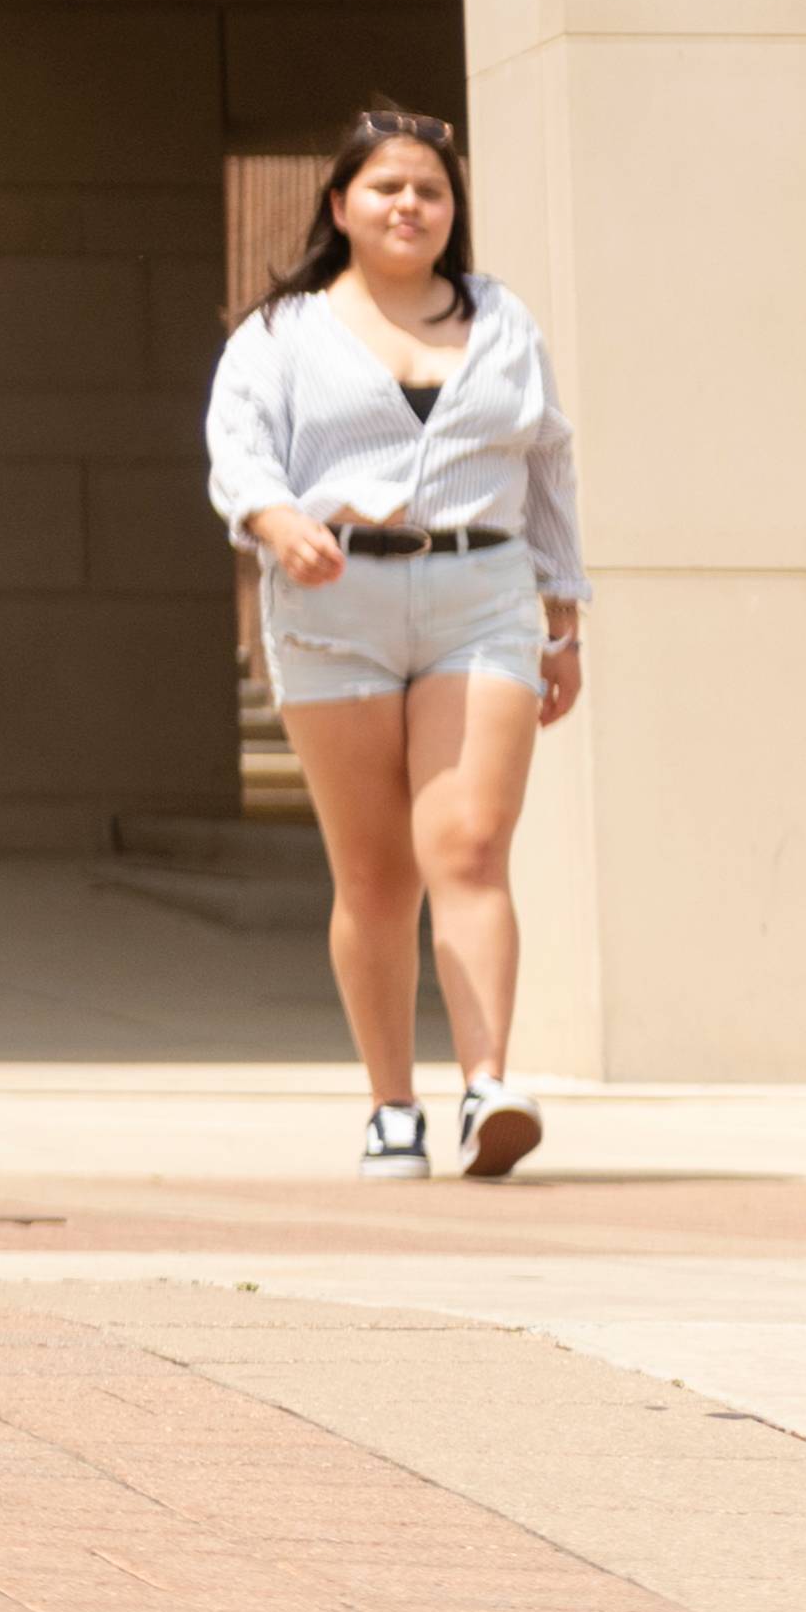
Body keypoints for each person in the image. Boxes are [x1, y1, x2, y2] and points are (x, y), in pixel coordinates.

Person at [203, 106, 583, 1180]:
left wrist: (565, 614)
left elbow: (550, 465)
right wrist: (277, 520)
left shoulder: (503, 323)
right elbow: (237, 451)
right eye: (386, 188)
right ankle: (390, 1106)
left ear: (453, 213)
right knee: (374, 874)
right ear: (340, 205)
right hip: (335, 609)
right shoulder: (279, 334)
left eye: (431, 191)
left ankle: (488, 1086)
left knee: (467, 846)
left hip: (483, 592)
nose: (410, 205)